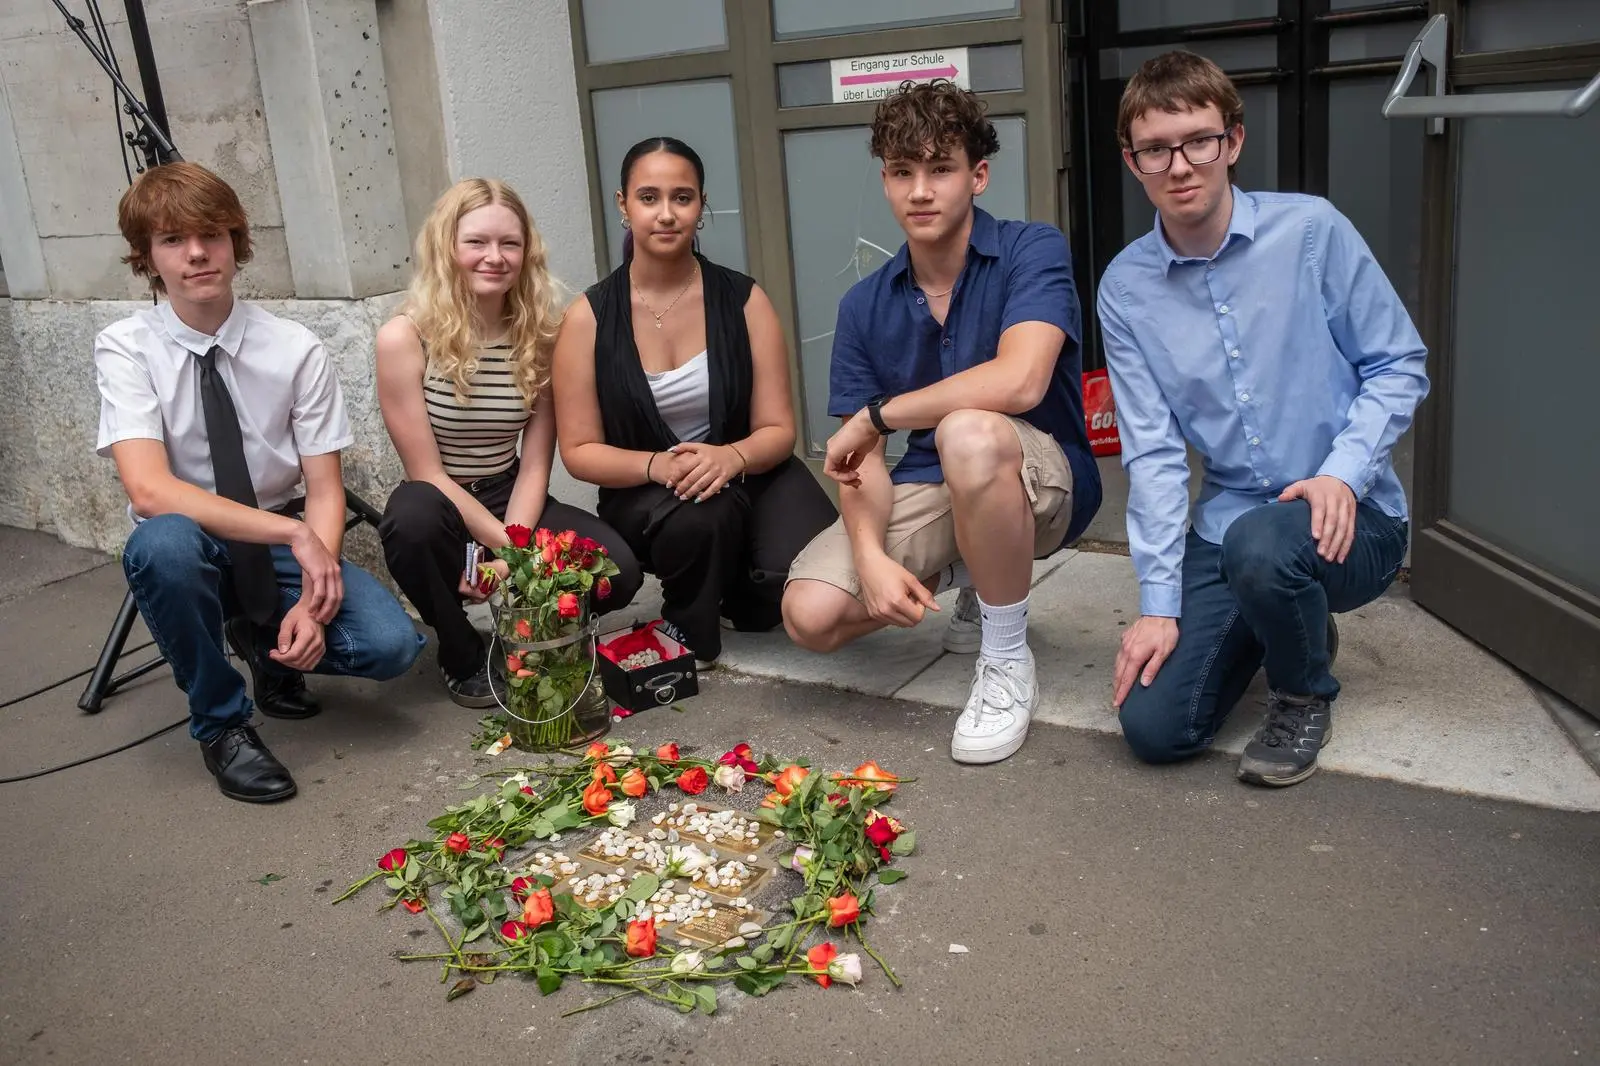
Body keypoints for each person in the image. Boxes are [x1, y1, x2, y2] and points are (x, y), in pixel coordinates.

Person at [1100, 52, 1429, 787]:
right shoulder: (1125, 288)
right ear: (1132, 161)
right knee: (1156, 727)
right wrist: (1158, 605)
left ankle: (1303, 692)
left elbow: (1399, 363)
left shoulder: (1312, 231)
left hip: (1356, 519)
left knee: (1263, 544)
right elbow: (1152, 454)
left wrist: (1342, 474)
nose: (1180, 166)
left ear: (1234, 140)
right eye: (1156, 149)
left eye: (1199, 140)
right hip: (1234, 529)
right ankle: (1285, 615)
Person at [781, 81, 1102, 766]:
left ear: (977, 176)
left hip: (1045, 481)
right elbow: (860, 461)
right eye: (902, 171)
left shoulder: (1031, 250)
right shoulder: (864, 304)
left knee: (969, 431)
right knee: (810, 615)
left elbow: (1021, 380)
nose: (920, 191)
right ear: (885, 181)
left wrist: (879, 414)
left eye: (940, 168)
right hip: (937, 486)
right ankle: (972, 576)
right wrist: (870, 557)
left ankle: (1006, 657)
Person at [93, 161, 425, 803]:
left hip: (277, 540)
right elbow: (149, 490)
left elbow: (324, 489)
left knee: (391, 647)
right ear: (147, 256)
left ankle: (266, 644)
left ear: (236, 241)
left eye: (212, 234)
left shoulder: (294, 348)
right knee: (162, 544)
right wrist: (295, 536)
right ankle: (222, 725)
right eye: (172, 239)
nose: (196, 253)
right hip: (194, 541)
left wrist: (311, 596)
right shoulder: (126, 346)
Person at [551, 137, 837, 666]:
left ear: (701, 205)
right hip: (645, 488)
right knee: (700, 518)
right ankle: (688, 624)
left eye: (682, 198)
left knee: (799, 579)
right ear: (623, 204)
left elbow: (778, 429)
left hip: (749, 470)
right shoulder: (587, 318)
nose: (666, 213)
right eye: (649, 197)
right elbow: (579, 450)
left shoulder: (745, 300)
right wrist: (659, 465)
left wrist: (730, 457)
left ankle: (734, 589)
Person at [377, 178, 643, 706]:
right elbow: (427, 472)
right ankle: (460, 651)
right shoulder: (405, 337)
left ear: (527, 252)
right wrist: (515, 553)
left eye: (510, 244)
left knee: (620, 571)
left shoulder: (540, 336)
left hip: (510, 492)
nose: (495, 257)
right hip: (441, 503)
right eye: (476, 242)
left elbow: (536, 466)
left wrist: (512, 556)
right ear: (447, 248)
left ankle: (530, 628)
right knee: (409, 521)